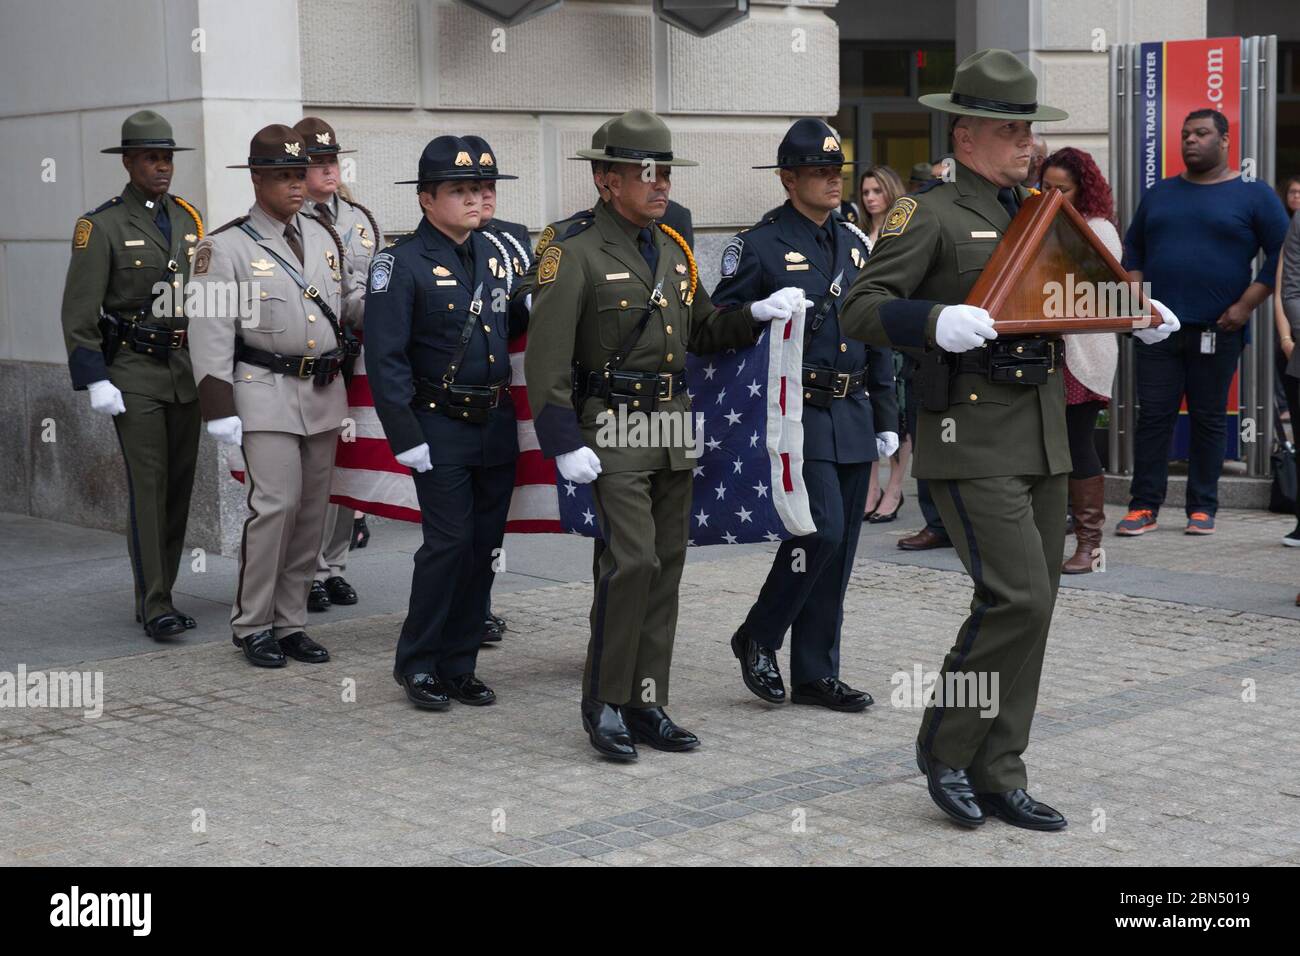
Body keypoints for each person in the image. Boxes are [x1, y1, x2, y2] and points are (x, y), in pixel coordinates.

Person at [837, 49, 1181, 830]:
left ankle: (1001, 769)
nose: (1028, 144)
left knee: (1039, 605)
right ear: (965, 137)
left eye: (1031, 130)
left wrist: (1142, 315)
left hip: (1044, 434)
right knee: (1015, 595)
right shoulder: (925, 213)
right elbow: (859, 307)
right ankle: (948, 748)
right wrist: (932, 321)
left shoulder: (1035, 211)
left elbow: (1077, 287)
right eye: (1011, 130)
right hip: (968, 437)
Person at [524, 109, 802, 761]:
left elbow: (703, 330)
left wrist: (755, 314)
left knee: (667, 567)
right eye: (645, 173)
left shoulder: (674, 247)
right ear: (605, 179)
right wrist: (564, 440)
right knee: (633, 561)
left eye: (666, 172)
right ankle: (604, 702)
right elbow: (546, 359)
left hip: (671, 422)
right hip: (612, 425)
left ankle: (646, 700)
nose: (660, 184)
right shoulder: (572, 252)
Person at [719, 120, 897, 714]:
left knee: (841, 549)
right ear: (788, 179)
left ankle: (817, 671)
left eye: (835, 171)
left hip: (850, 409)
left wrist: (886, 413)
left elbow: (877, 332)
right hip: (794, 410)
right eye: (818, 171)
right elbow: (718, 324)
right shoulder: (761, 244)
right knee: (818, 530)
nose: (830, 180)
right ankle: (759, 635)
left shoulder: (854, 242)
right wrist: (758, 312)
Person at [189, 124, 361, 668]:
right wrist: (219, 409)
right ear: (258, 179)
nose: (296, 185)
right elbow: (209, 328)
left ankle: (290, 623)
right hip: (262, 392)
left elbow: (348, 306)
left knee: (311, 512)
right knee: (274, 508)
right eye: (284, 176)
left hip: (322, 392)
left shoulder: (323, 237)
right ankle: (252, 623)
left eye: (299, 174)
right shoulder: (225, 246)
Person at [365, 136, 523, 710]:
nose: (477, 199)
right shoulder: (399, 263)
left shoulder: (498, 255)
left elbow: (522, 322)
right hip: (438, 427)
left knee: (482, 548)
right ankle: (418, 663)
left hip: (494, 424)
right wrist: (404, 436)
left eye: (483, 188)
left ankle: (460, 664)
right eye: (461, 190)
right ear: (427, 199)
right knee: (448, 545)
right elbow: (385, 359)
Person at [59, 110, 205, 641]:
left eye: (167, 158)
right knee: (149, 486)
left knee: (178, 489)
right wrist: (95, 378)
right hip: (133, 373)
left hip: (184, 372)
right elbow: (79, 312)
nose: (162, 167)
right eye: (151, 158)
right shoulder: (100, 226)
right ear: (129, 162)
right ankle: (155, 604)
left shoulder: (189, 218)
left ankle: (161, 591)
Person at [1118, 109, 1289, 537]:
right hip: (1157, 329)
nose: (1190, 140)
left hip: (1219, 329)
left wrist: (1247, 305)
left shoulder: (1254, 195)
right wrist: (1139, 299)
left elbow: (1285, 256)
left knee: (1209, 418)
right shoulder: (1160, 194)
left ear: (1225, 140)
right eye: (1185, 133)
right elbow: (1133, 249)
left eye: (1201, 133)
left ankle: (1202, 507)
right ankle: (1143, 507)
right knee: (1154, 416)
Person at [293, 116, 383, 614]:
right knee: (315, 472)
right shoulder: (292, 221)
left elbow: (379, 281)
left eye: (331, 160)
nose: (328, 169)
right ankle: (305, 571)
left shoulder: (360, 218)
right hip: (319, 355)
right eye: (316, 162)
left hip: (360, 357)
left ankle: (334, 565)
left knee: (351, 462)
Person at [1040, 147, 1121, 574]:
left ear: (1082, 190)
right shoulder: (1040, 222)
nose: (1053, 194)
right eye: (1047, 186)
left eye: (1063, 189)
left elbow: (1097, 291)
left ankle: (1091, 546)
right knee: (1049, 448)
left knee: (1077, 443)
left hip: (1083, 355)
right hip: (1049, 353)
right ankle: (1055, 537)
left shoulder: (1099, 228)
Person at [462, 133, 528, 645]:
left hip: (501, 398)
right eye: (474, 186)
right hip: (452, 400)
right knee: (456, 528)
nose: (485, 196)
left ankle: (478, 605)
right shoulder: (444, 243)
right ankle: (454, 612)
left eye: (491, 186)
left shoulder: (514, 238)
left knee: (491, 525)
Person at [856, 165, 909, 525]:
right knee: (869, 410)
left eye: (877, 191)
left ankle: (895, 489)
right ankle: (872, 487)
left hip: (896, 332)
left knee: (898, 414)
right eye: (865, 192)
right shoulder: (855, 232)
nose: (871, 198)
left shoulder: (904, 229)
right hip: (865, 332)